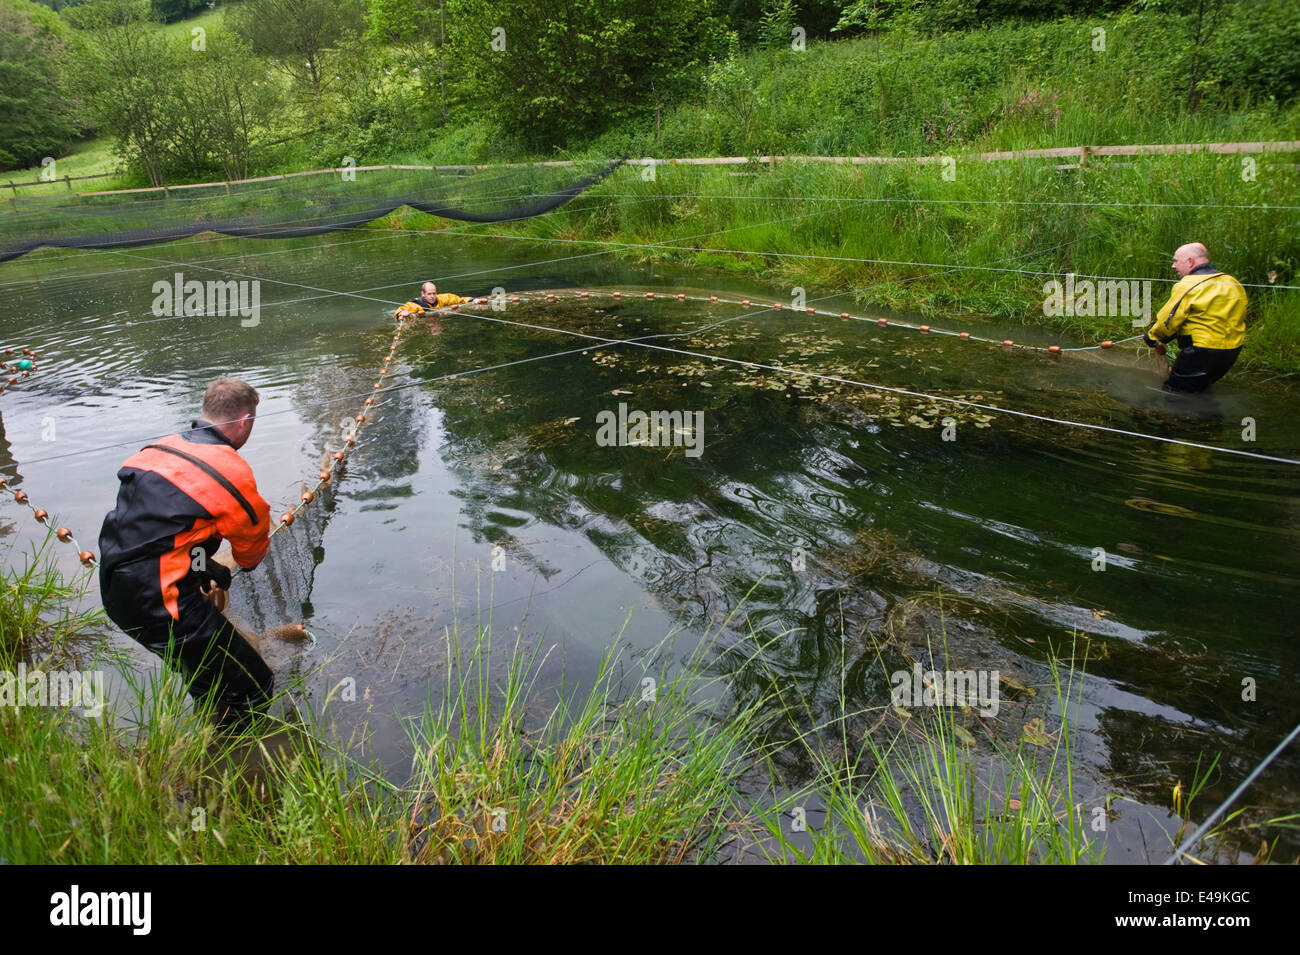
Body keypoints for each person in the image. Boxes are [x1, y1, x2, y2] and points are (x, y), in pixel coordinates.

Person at [98, 378, 280, 727]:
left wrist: (202, 565)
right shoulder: (229, 469)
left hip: (117, 593)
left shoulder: (154, 451)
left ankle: (203, 750)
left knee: (208, 679)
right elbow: (250, 550)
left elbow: (159, 531)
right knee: (255, 685)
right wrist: (235, 561)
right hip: (163, 605)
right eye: (252, 423)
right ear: (244, 421)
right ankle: (240, 763)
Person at [1144, 243, 1248, 393]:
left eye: (1176, 261)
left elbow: (1170, 319)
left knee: (1175, 393)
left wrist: (1153, 336)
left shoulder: (1188, 284)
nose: (1173, 266)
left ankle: (1176, 416)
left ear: (1190, 261)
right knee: (1201, 389)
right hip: (1232, 351)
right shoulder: (1231, 281)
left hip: (1201, 353)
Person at [394, 281, 486, 321]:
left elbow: (459, 299)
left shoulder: (442, 298)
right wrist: (401, 313)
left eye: (434, 293)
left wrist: (473, 299)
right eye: (429, 294)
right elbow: (401, 309)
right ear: (423, 294)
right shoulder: (416, 304)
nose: (432, 296)